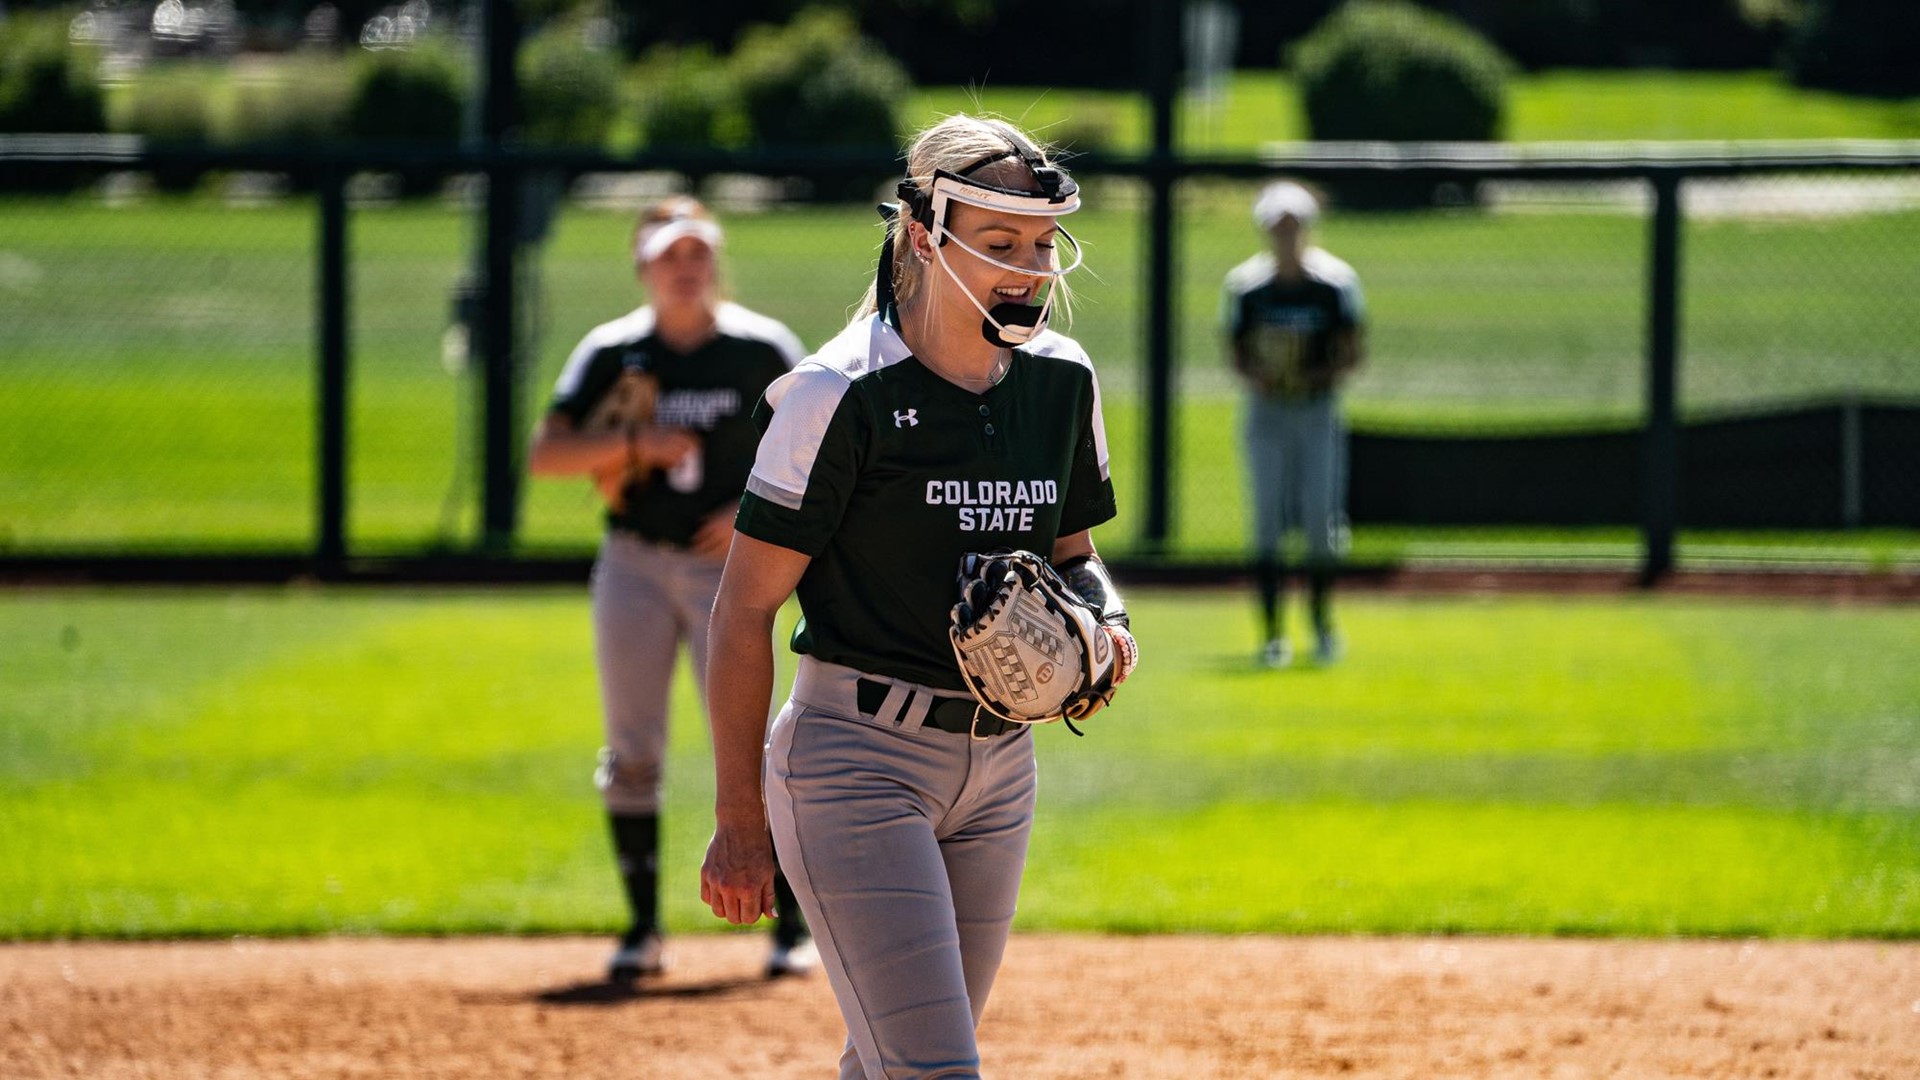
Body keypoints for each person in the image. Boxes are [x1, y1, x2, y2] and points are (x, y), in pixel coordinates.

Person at [698, 114, 1138, 1079]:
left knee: (893, 1063)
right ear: (922, 237)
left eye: (1038, 246)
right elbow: (741, 610)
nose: (1027, 270)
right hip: (854, 764)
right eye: (998, 245)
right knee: (936, 1071)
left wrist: (1107, 624)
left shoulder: (1061, 382)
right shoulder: (838, 394)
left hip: (1001, 769)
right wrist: (741, 820)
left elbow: (1076, 552)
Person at [526, 195, 816, 983]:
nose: (685, 270)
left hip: (735, 571)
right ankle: (644, 929)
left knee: (755, 745)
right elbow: (545, 454)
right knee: (632, 748)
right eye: (668, 256)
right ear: (643, 266)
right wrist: (632, 441)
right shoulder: (613, 351)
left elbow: (817, 451)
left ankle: (790, 927)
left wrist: (750, 512)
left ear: (714, 263)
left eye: (697, 255)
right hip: (636, 563)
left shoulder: (762, 348)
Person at [1223, 180, 1366, 668]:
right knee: (1266, 521)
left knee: (1320, 520)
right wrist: (1265, 374)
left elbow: (1353, 351)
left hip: (1315, 408)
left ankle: (1323, 626)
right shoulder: (1247, 285)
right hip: (1267, 412)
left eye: (1294, 225)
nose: (1286, 234)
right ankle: (1272, 635)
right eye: (1277, 226)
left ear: (1307, 227)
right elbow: (1236, 352)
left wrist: (1309, 372)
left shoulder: (1334, 283)